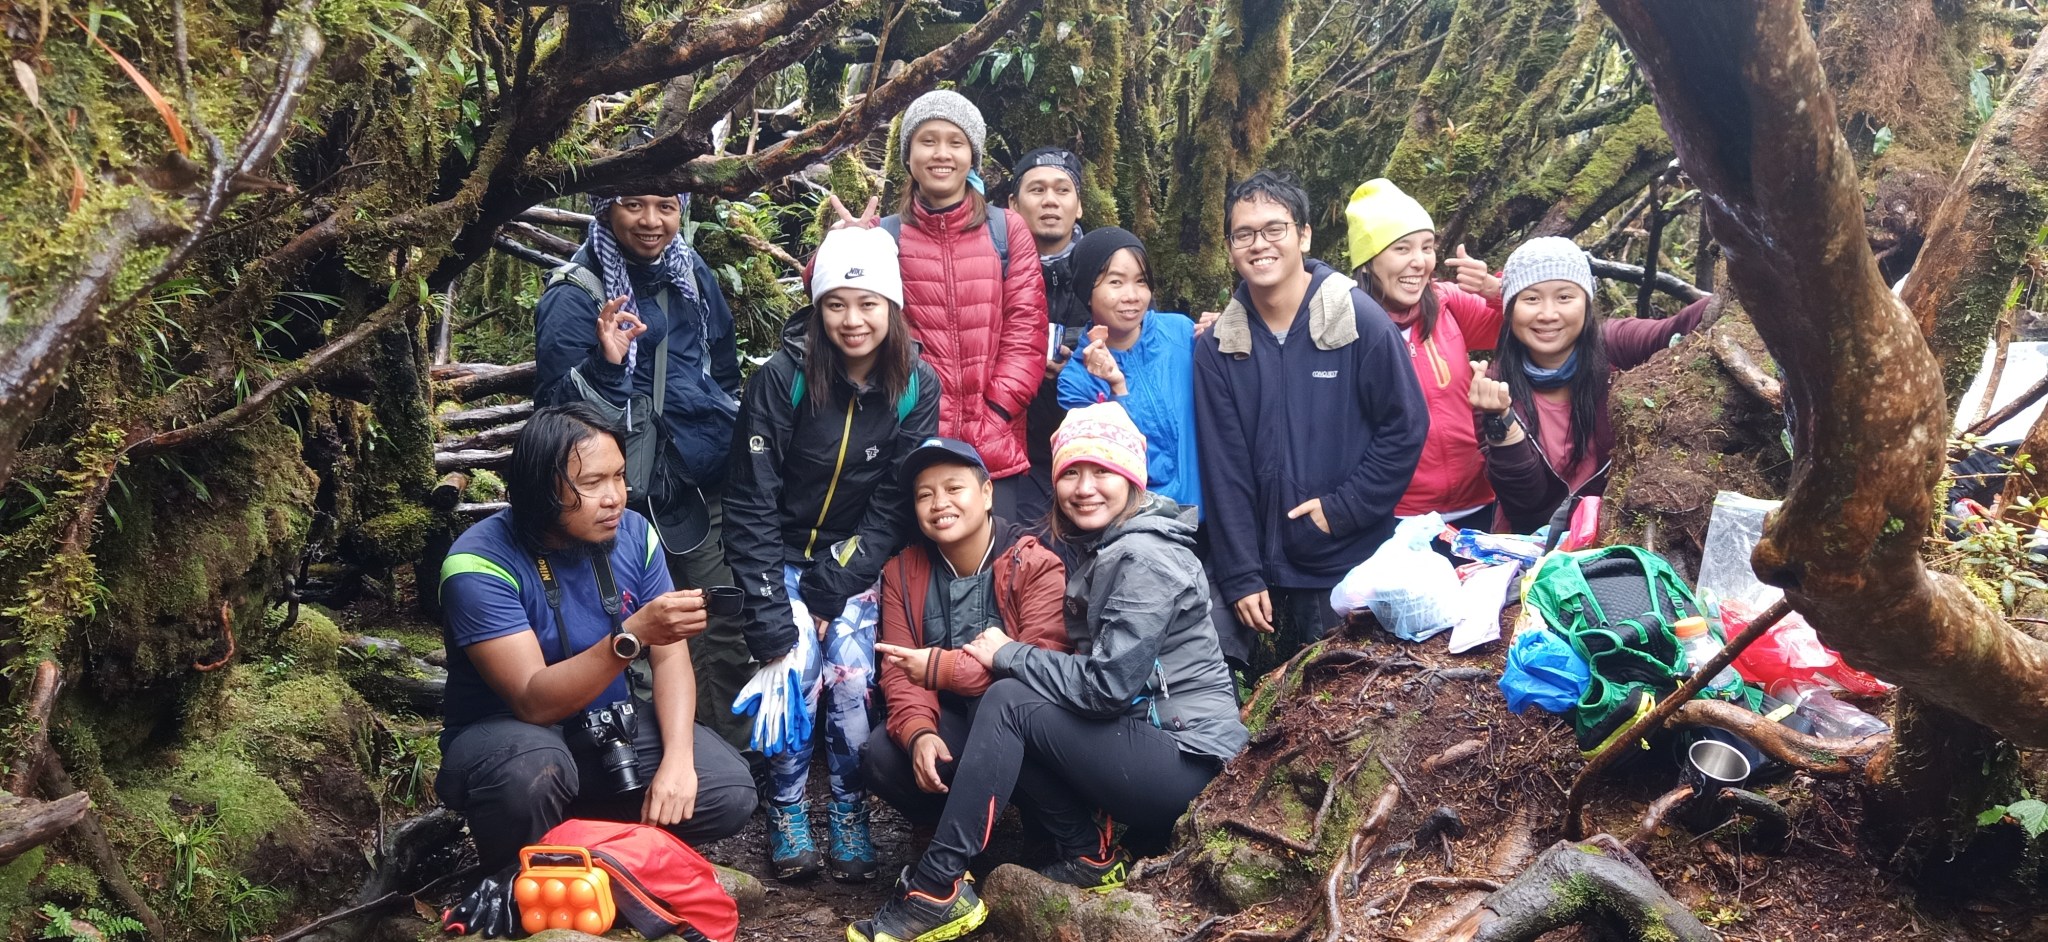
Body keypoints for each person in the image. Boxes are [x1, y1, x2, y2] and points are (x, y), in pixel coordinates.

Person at [850, 403, 1246, 942]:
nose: (1084, 488)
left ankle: (937, 887)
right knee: (1006, 701)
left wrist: (1006, 654)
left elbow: (1106, 687)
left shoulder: (1144, 557)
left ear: (1132, 478)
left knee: (1008, 699)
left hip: (1185, 759)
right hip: (1146, 744)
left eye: (1102, 471)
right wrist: (926, 724)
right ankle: (1086, 855)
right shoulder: (1106, 550)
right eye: (1071, 473)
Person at [435, 404, 756, 872]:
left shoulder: (636, 535)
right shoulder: (478, 563)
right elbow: (532, 702)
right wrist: (632, 635)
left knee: (728, 789)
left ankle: (593, 855)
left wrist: (678, 761)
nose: (615, 498)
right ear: (541, 489)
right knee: (532, 769)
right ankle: (520, 874)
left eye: (620, 476)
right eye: (592, 483)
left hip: (603, 728)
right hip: (507, 738)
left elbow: (670, 659)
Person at [723, 226, 942, 883]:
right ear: (817, 307)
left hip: (855, 557)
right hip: (779, 552)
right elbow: (751, 498)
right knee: (791, 666)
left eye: (868, 303)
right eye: (836, 304)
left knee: (851, 679)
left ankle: (849, 809)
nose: (853, 320)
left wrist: (830, 587)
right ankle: (787, 808)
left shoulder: (915, 385)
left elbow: (895, 502)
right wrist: (770, 607)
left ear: (892, 307)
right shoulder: (783, 379)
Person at [532, 192, 754, 753]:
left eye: (666, 206)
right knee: (629, 628)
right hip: (618, 497)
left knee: (714, 621)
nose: (652, 221)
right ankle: (641, 757)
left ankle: (728, 756)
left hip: (697, 484)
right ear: (606, 210)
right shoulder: (575, 294)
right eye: (634, 205)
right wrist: (608, 367)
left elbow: (721, 368)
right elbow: (556, 419)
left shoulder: (690, 272)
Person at [1194, 170, 1430, 678]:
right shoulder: (1219, 346)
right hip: (1257, 563)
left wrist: (1342, 509)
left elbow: (1405, 426)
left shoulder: (1357, 318)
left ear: (1303, 236)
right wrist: (1240, 573)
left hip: (1342, 559)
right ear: (1230, 249)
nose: (1260, 244)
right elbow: (1224, 467)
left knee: (1341, 695)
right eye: (1244, 234)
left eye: (1274, 229)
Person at [832, 90, 1050, 522]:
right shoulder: (883, 236)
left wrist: (995, 412)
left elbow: (1026, 333)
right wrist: (843, 246)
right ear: (908, 155)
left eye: (955, 142)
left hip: (995, 441)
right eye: (927, 141)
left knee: (997, 557)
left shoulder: (1007, 231)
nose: (941, 154)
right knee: (913, 561)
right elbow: (829, 299)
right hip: (913, 441)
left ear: (973, 156)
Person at [864, 437, 1071, 828]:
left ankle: (1056, 829)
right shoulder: (902, 572)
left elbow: (1041, 669)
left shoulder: (1033, 562)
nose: (939, 503)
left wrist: (941, 667)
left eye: (954, 488)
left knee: (997, 707)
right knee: (882, 754)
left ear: (987, 493)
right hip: (952, 723)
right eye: (925, 495)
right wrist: (919, 733)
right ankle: (943, 828)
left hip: (1023, 727)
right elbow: (898, 667)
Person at [1471, 236, 1710, 534]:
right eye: (1531, 299)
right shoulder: (1495, 386)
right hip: (1533, 544)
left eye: (1564, 297)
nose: (1548, 314)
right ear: (1509, 309)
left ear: (1587, 302)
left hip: (1617, 532)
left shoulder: (1613, 345)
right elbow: (1527, 506)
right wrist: (1501, 422)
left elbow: (1679, 328)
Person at [1345, 178, 1504, 532]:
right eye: (1402, 249)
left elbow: (1525, 325)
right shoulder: (1347, 324)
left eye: (1427, 247)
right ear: (1367, 262)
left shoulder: (1446, 301)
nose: (1419, 262)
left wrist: (1494, 289)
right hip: (1398, 518)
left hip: (1481, 504)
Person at [1056, 226, 1202, 510]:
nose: (1132, 295)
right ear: (1087, 292)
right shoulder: (1076, 381)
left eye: (1141, 281)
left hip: (1213, 510)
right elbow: (1118, 462)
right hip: (1144, 520)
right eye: (1116, 282)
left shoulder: (1181, 333)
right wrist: (1117, 387)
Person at [1010, 146, 1090, 524]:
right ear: (1013, 205)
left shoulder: (1108, 269)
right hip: (1016, 456)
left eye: (1062, 190)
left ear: (1079, 205)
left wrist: (1082, 368)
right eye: (1037, 190)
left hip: (1091, 455)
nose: (1050, 201)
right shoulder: (993, 269)